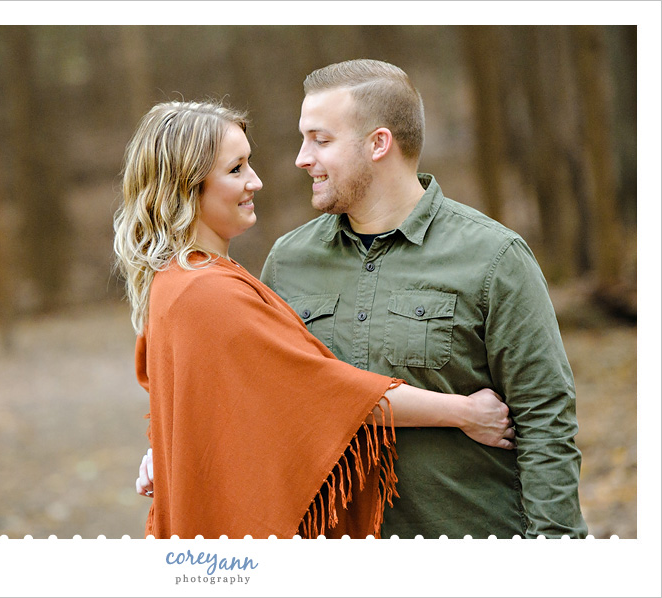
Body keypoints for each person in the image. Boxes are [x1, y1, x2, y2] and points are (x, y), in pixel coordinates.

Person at [114, 100, 515, 540]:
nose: (255, 181)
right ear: (185, 187)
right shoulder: (209, 292)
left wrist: (169, 448)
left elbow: (210, 399)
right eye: (236, 169)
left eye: (250, 163)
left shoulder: (176, 280)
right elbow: (328, 393)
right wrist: (464, 412)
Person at [258, 58, 587, 538]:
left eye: (320, 140)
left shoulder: (494, 257)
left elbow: (546, 419)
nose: (301, 158)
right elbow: (266, 401)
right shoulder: (288, 262)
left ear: (378, 143)